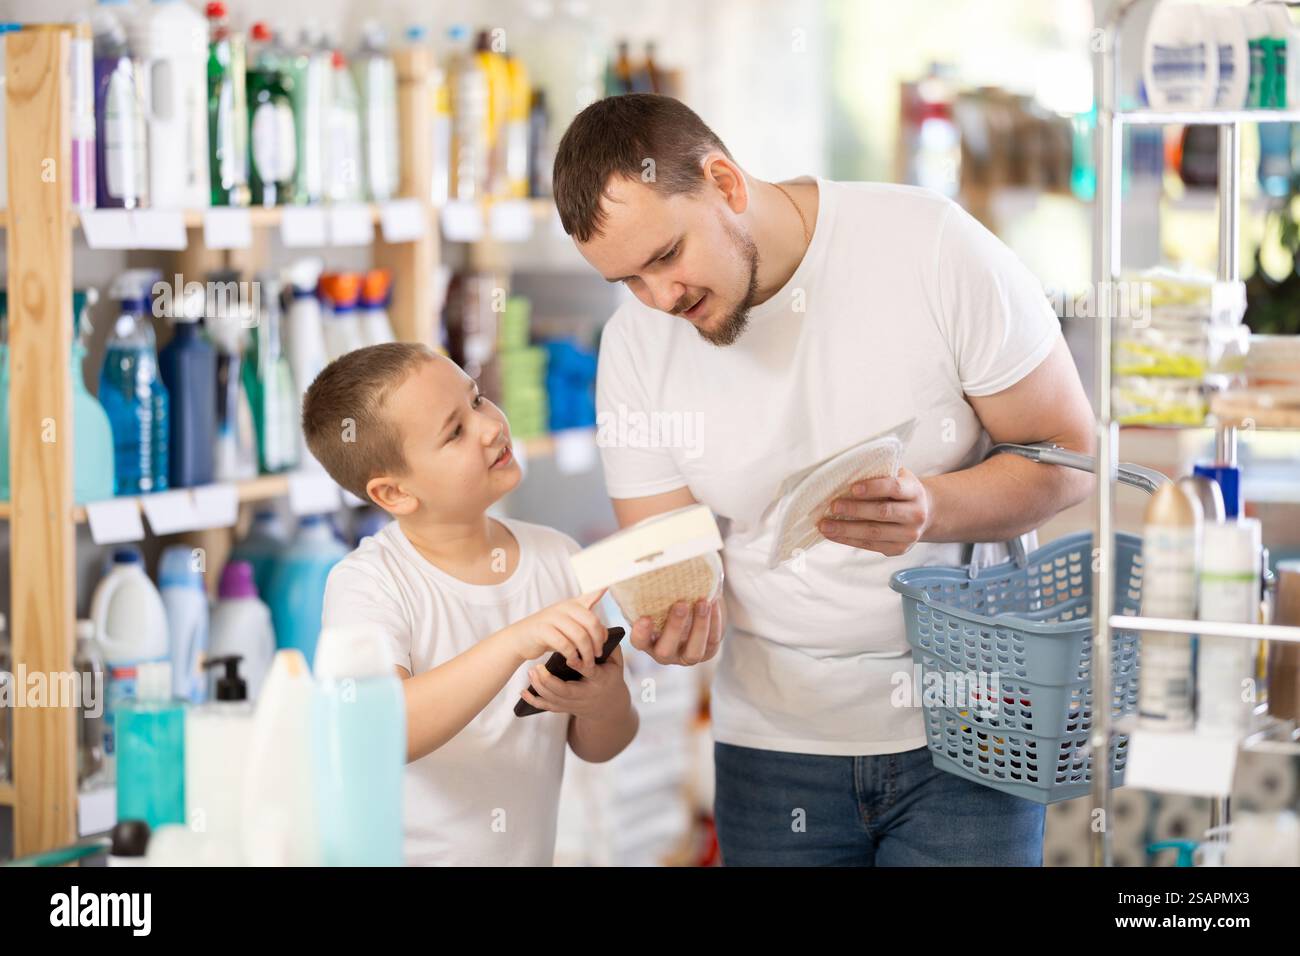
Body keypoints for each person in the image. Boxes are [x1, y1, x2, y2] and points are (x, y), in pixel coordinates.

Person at [551, 93, 1095, 866]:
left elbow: (1069, 453)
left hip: (972, 729)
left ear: (725, 184)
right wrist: (677, 619)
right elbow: (667, 550)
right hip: (776, 751)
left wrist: (931, 507)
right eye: (628, 280)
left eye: (666, 256)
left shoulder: (931, 247)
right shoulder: (637, 345)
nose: (659, 299)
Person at [305, 343, 638, 865]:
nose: (489, 427)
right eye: (454, 432)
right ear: (394, 494)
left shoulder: (559, 558)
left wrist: (603, 700)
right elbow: (383, 730)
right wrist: (513, 642)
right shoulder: (369, 583)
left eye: (477, 400)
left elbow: (602, 745)